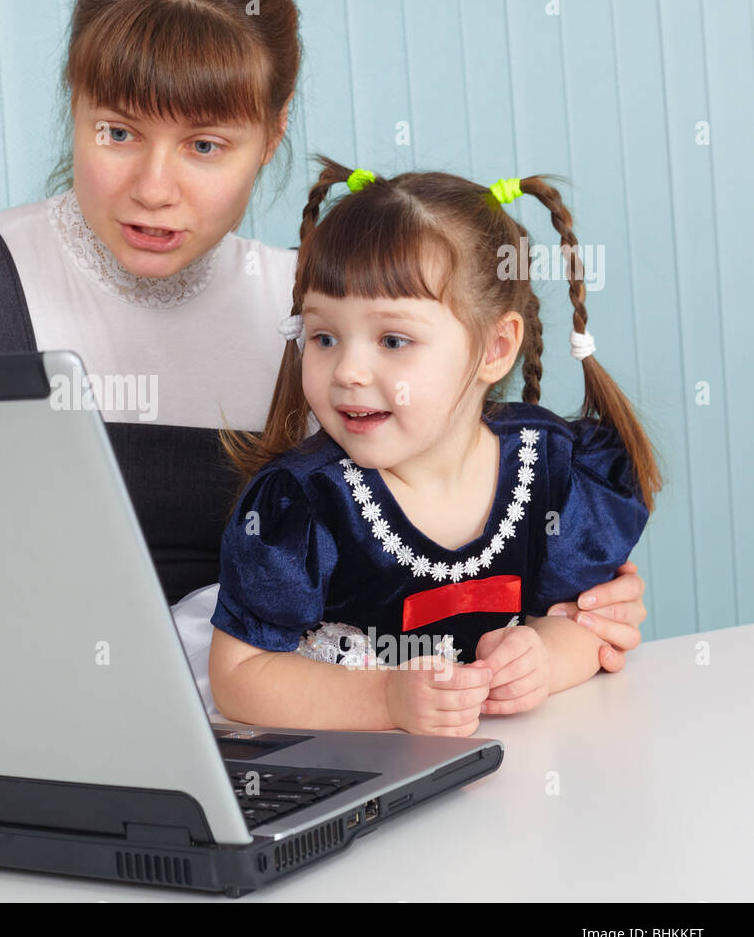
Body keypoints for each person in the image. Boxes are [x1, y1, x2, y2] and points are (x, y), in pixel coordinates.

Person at [0, 0, 649, 686]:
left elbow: (440, 541)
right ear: (73, 106)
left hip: (273, 756)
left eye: (205, 145)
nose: (154, 187)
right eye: (116, 132)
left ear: (274, 132)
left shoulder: (327, 321)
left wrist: (571, 613)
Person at [208, 158, 662, 735]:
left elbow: (592, 623)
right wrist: (386, 702)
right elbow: (238, 675)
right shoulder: (302, 503)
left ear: (496, 347)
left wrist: (542, 658)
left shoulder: (553, 468)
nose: (347, 370)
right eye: (324, 337)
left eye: (393, 339)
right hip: (360, 783)